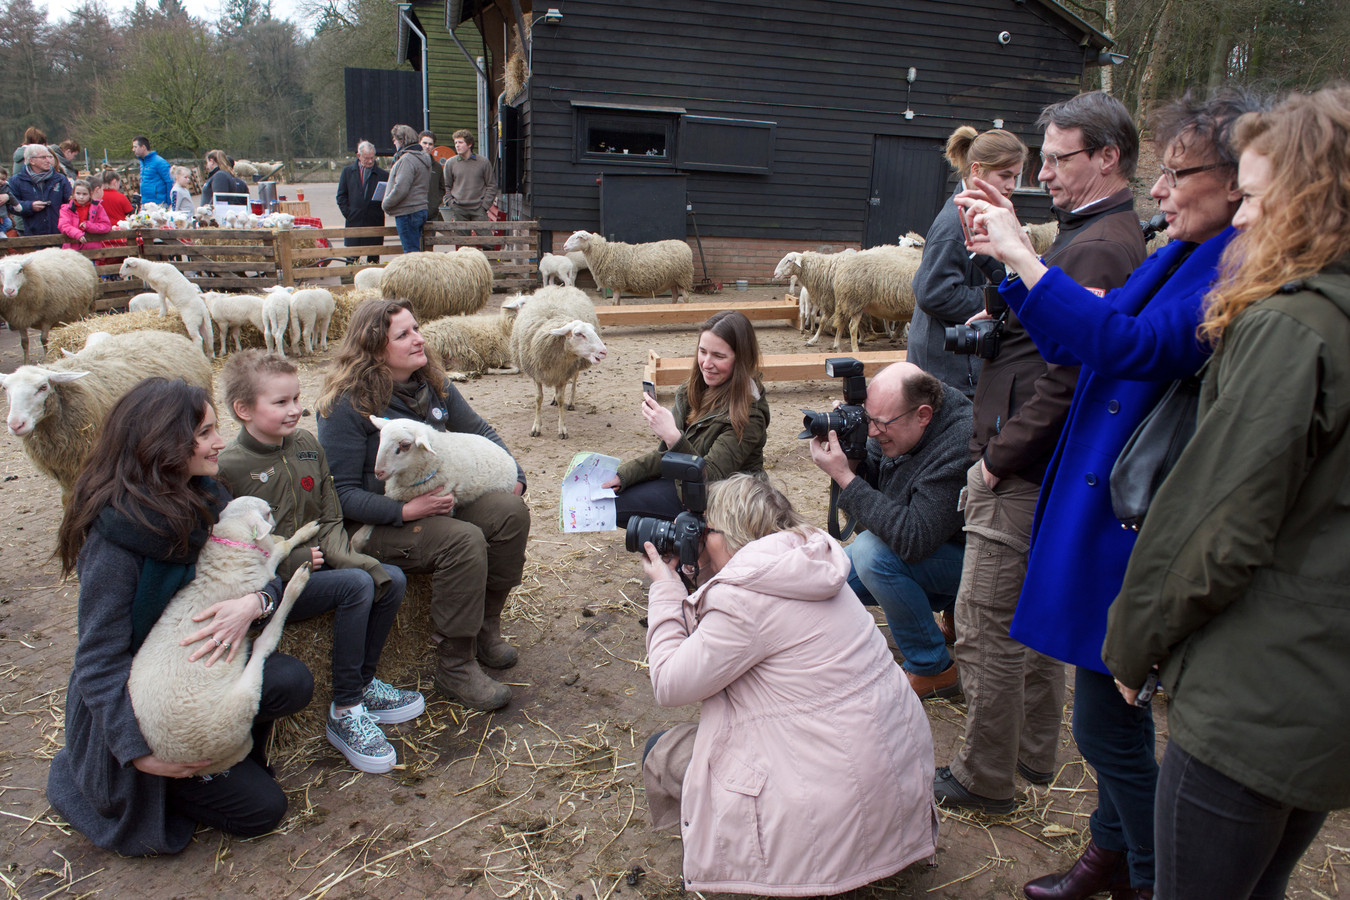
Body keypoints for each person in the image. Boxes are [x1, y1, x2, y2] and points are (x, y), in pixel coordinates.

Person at [960, 87, 1267, 900]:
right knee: (1106, 713)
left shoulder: (1235, 261)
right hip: (1101, 495)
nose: (1157, 191)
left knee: (1105, 721)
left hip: (1130, 514)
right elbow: (1083, 335)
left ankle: (1148, 872)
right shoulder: (1179, 249)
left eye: (1175, 173)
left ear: (1237, 180)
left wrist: (1026, 260)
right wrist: (1014, 267)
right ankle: (1110, 854)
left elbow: (1132, 344)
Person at [1103, 85, 1350, 900]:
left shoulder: (1291, 329)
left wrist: (1134, 639)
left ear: (1315, 200)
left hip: (1256, 696)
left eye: (1255, 199)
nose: (1241, 222)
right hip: (1323, 695)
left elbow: (1219, 523)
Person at [935, 91, 1147, 816]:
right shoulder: (1093, 234)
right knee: (1027, 618)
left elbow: (1068, 376)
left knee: (987, 621)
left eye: (1058, 160)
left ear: (1106, 157)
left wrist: (999, 457)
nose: (1044, 174)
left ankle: (982, 775)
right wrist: (1002, 264)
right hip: (1034, 460)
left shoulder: (1099, 246)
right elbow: (1044, 324)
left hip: (1022, 464)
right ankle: (1030, 754)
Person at [47, 378, 313, 856]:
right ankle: (165, 776)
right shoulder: (116, 542)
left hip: (196, 676)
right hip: (145, 703)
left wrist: (257, 602)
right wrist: (138, 753)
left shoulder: (207, 497)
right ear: (164, 443)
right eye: (207, 432)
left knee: (291, 679)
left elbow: (256, 567)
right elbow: (98, 659)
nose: (219, 441)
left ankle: (216, 753)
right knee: (262, 811)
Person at [640, 473, 937, 895]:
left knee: (664, 752)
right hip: (892, 788)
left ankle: (793, 871)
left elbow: (669, 682)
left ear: (734, 533)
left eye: (707, 530)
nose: (702, 538)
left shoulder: (744, 599)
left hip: (827, 820)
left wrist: (667, 593)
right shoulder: (811, 564)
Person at [316, 299, 530, 711]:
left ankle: (485, 627)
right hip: (376, 523)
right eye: (404, 334)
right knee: (463, 541)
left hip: (433, 503)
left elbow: (479, 430)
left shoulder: (430, 384)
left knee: (509, 512)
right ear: (375, 346)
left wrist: (516, 475)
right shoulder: (347, 404)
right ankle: (455, 664)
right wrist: (403, 512)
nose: (419, 339)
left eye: (416, 329)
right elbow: (340, 493)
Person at [216, 350, 422, 775]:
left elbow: (328, 513)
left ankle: (364, 683)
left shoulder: (308, 445)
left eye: (296, 398)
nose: (295, 410)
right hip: (270, 589)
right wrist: (290, 559)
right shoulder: (230, 467)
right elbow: (231, 543)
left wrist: (349, 557)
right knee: (357, 586)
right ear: (243, 410)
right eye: (280, 402)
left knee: (390, 579)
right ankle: (345, 709)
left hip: (317, 563)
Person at [808, 362, 972, 699]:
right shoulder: (894, 423)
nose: (872, 433)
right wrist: (850, 456)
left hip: (974, 565)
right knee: (833, 574)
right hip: (935, 547)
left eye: (881, 424)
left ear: (923, 415)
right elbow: (874, 499)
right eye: (869, 421)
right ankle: (951, 623)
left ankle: (934, 669)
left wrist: (845, 478)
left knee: (872, 556)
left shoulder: (958, 444)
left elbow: (912, 540)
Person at [603, 311, 768, 525]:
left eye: (718, 356)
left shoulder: (748, 412)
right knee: (611, 498)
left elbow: (711, 476)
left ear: (741, 359)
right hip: (686, 487)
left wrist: (673, 437)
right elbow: (666, 456)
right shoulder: (690, 390)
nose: (706, 363)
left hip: (728, 503)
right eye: (702, 351)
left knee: (619, 508)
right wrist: (623, 476)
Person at [910, 125, 1027, 397]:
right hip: (947, 372)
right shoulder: (954, 224)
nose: (1011, 186)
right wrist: (998, 300)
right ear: (976, 170)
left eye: (1016, 177)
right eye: (1005, 175)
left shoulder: (977, 213)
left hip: (959, 366)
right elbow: (932, 293)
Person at [381, 124, 433, 253]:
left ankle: (416, 274)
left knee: (411, 254)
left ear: (402, 140)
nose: (394, 143)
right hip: (419, 209)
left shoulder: (407, 159)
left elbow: (401, 188)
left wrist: (386, 204)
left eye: (395, 140)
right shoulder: (422, 157)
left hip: (408, 212)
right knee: (415, 251)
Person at [335, 141, 387, 263]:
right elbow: (341, 196)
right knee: (352, 258)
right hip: (354, 221)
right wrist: (348, 213)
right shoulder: (348, 172)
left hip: (374, 222)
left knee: (373, 259)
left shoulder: (383, 175)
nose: (370, 161)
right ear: (359, 156)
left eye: (372, 158)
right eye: (366, 158)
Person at [10, 143, 73, 236]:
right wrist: (30, 206)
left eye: (48, 157)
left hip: (59, 233)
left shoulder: (60, 179)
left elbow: (70, 203)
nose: (48, 161)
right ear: (31, 161)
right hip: (32, 235)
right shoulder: (17, 181)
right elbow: (11, 206)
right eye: (43, 157)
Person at [442, 128, 496, 224]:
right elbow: (446, 185)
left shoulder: (483, 162)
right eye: (455, 143)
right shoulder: (450, 163)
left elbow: (491, 185)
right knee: (460, 239)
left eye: (460, 142)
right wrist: (451, 203)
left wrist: (485, 205)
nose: (457, 145)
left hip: (478, 209)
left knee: (485, 238)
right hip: (459, 209)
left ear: (469, 144)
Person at [58, 177, 113, 251]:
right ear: (73, 194)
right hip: (72, 250)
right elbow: (64, 225)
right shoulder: (66, 209)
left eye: (84, 194)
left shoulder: (98, 208)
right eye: (78, 193)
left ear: (90, 194)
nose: (81, 197)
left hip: (93, 250)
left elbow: (106, 226)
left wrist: (89, 226)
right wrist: (77, 234)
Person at [133, 136, 171, 207]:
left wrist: (169, 203)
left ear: (143, 147)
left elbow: (169, 181)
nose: (133, 149)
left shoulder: (160, 162)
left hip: (159, 204)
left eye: (135, 147)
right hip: (145, 203)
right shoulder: (142, 162)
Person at [419, 130, 445, 221]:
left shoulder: (437, 167)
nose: (427, 146)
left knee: (431, 235)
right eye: (424, 143)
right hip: (414, 212)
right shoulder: (412, 163)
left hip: (431, 212)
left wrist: (435, 203)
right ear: (419, 143)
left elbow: (442, 187)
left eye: (430, 144)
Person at [0, 166, 20, 235]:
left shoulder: (5, 187)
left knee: (7, 223)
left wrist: (7, 197)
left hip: (3, 215)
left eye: (3, 179)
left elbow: (12, 198)